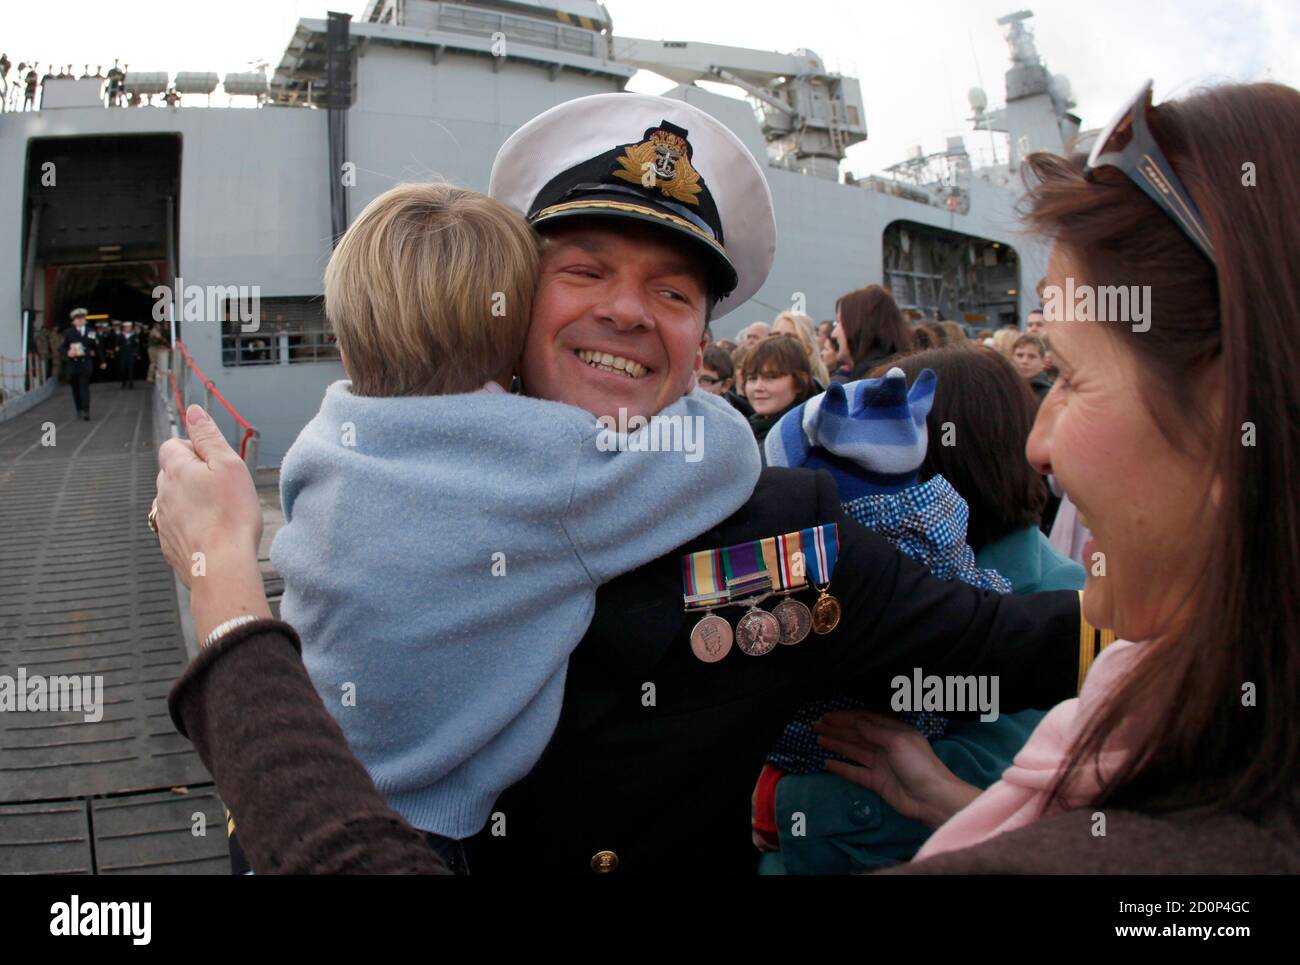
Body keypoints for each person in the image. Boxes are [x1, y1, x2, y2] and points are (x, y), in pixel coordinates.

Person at [156, 92, 1088, 876]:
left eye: (676, 294)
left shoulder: (783, 531)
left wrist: (1185, 627)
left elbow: (995, 642)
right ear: (512, 304)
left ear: (696, 344)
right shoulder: (384, 472)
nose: (629, 311)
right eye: (585, 270)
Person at [816, 81, 1300, 874]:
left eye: (1068, 377)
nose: (1036, 445)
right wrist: (948, 799)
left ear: (1232, 418)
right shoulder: (1153, 692)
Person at [270, 181, 759, 871]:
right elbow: (726, 449)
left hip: (290, 795)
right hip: (420, 829)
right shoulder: (547, 469)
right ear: (513, 338)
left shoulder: (323, 437)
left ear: (346, 349)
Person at [743, 335, 816, 453]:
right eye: (752, 378)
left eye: (771, 377)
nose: (758, 387)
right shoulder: (746, 429)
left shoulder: (810, 438)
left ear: (800, 382)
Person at [831, 284, 911, 383]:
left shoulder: (871, 380)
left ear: (857, 325)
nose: (833, 334)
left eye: (839, 322)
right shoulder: (902, 369)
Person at [61, 307, 105, 420]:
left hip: (85, 363)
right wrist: (68, 352)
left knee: (84, 387)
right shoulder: (68, 332)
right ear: (73, 321)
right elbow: (62, 347)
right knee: (75, 388)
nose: (80, 321)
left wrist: (102, 361)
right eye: (77, 319)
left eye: (82, 318)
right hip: (73, 364)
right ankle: (79, 409)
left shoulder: (90, 331)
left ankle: (86, 410)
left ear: (85, 319)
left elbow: (97, 346)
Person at [770, 310, 830, 388]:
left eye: (789, 338)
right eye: (775, 335)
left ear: (807, 348)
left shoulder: (814, 389)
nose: (779, 342)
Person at [699, 344, 752, 417]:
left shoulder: (741, 418)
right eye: (690, 378)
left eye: (705, 380)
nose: (695, 386)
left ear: (725, 385)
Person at [1011, 333, 1053, 403]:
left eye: (1032, 356)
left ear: (1043, 361)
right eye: (1020, 355)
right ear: (1012, 358)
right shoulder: (1004, 387)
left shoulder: (1048, 395)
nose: (1024, 361)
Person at [114, 320, 142, 388]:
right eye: (126, 327)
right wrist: (117, 349)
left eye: (129, 327)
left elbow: (137, 345)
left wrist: (137, 353)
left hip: (131, 354)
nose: (127, 328)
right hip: (123, 355)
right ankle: (123, 382)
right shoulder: (120, 335)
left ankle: (131, 383)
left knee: (131, 369)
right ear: (124, 328)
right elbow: (117, 344)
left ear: (131, 328)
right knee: (123, 369)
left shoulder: (134, 335)